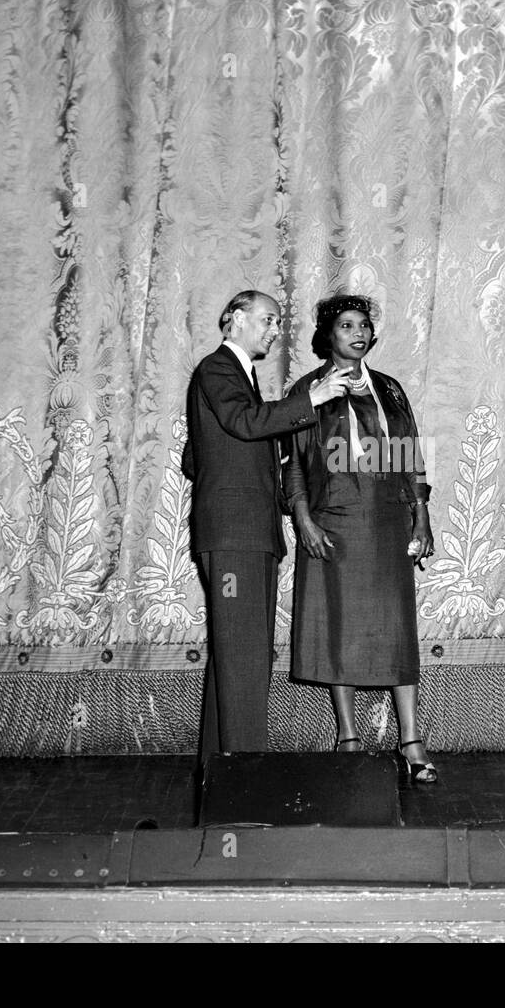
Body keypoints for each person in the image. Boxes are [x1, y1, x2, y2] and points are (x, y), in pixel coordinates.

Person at [181, 290, 350, 761]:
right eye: (268, 320)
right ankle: (247, 779)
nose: (276, 330)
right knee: (245, 659)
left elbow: (197, 456)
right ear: (234, 319)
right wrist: (310, 399)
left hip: (245, 533)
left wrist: (256, 465)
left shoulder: (238, 379)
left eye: (279, 323)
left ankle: (221, 774)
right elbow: (242, 422)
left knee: (235, 659)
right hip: (236, 536)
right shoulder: (217, 368)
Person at [282, 294, 438, 782]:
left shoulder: (389, 390)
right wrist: (303, 520)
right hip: (333, 524)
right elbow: (294, 465)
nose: (358, 332)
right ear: (328, 335)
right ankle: (348, 738)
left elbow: (408, 454)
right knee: (339, 627)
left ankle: (410, 741)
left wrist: (421, 515)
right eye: (347, 325)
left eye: (364, 324)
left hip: (386, 523)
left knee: (395, 629)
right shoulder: (306, 389)